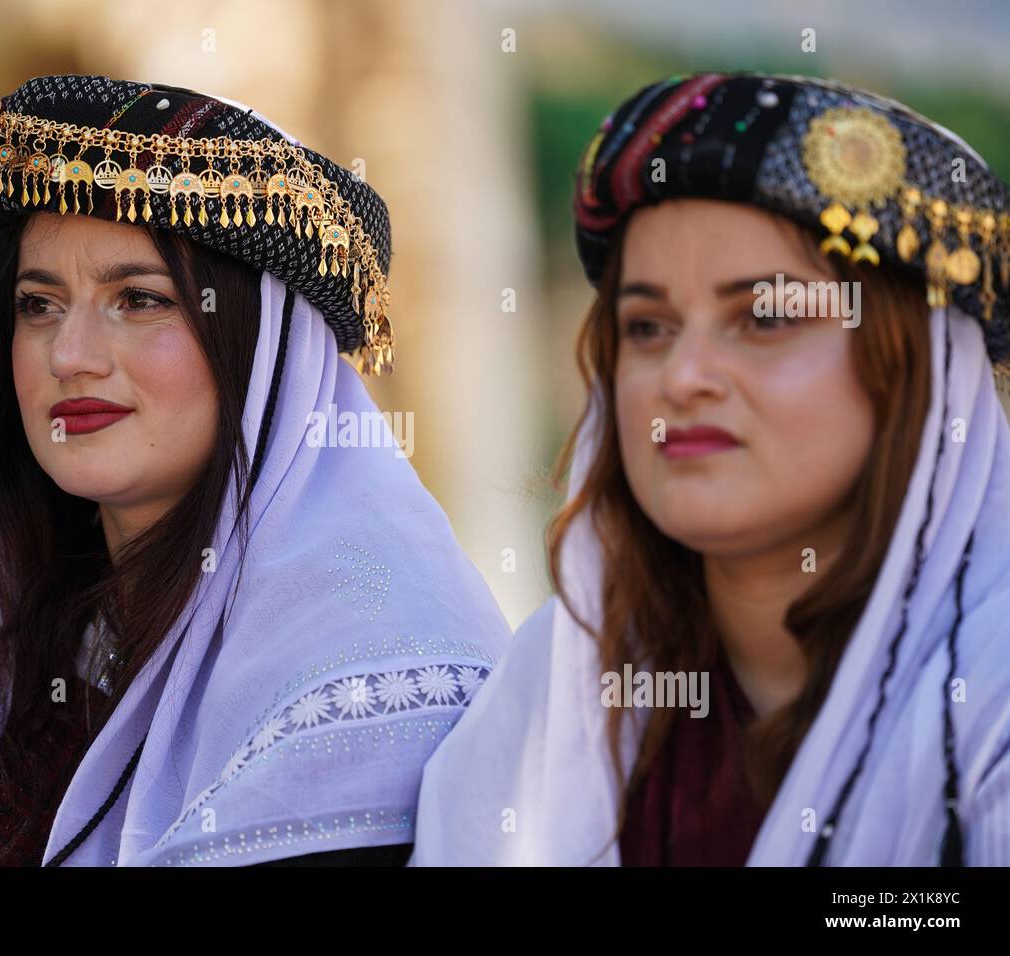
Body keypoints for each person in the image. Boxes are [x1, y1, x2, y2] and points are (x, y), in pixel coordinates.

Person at [0, 75, 510, 867]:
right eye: (38, 304)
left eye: (139, 299)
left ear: (267, 350)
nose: (70, 356)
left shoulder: (377, 671)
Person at [411, 72, 1010, 866]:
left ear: (914, 371)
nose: (684, 375)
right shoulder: (554, 688)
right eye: (649, 325)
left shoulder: (989, 708)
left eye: (763, 316)